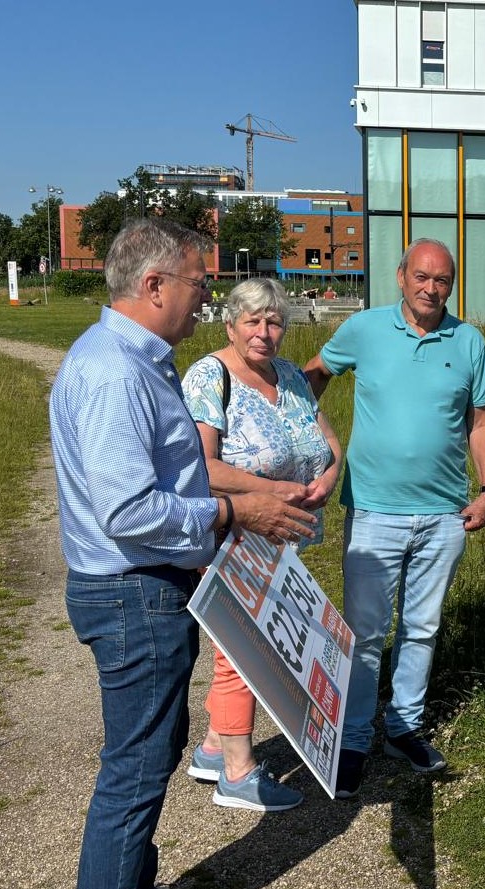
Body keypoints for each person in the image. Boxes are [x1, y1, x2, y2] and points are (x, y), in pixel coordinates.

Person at [51, 218, 315, 889]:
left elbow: (171, 478)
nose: (206, 295)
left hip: (153, 586)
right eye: (199, 282)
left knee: (154, 753)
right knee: (134, 768)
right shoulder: (112, 372)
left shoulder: (142, 360)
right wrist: (235, 513)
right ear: (154, 284)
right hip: (133, 592)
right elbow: (130, 512)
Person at [303, 238, 485, 798]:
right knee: (364, 634)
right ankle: (355, 736)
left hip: (443, 514)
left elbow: (479, 421)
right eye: (422, 277)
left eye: (442, 281)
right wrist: (287, 419)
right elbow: (314, 373)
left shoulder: (468, 341)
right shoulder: (364, 329)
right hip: (372, 511)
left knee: (422, 628)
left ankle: (404, 728)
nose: (431, 289)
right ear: (401, 276)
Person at [180, 278, 343, 812]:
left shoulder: (293, 377)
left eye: (274, 322)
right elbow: (200, 467)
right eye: (252, 321)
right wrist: (271, 491)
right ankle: (236, 771)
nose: (264, 332)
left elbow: (327, 442)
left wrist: (328, 478)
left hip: (280, 535)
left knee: (242, 643)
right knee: (241, 649)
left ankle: (210, 749)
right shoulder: (211, 376)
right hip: (232, 532)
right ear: (230, 324)